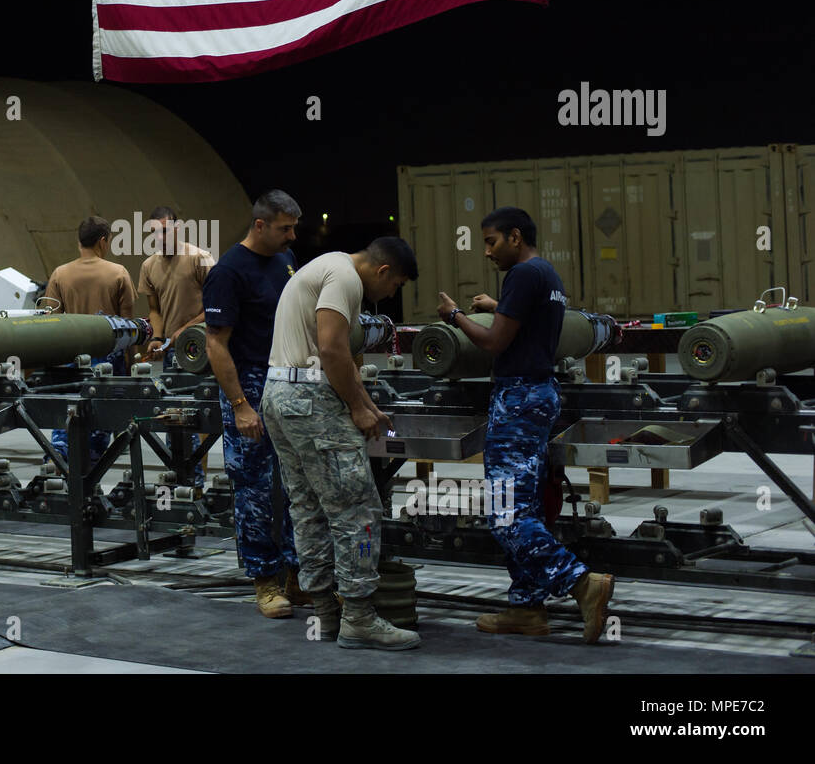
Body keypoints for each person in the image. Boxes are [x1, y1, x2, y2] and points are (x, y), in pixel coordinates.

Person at [435, 206, 614, 644]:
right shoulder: (547, 275)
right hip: (538, 395)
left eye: (492, 242)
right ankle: (526, 608)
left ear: (515, 237)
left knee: (504, 513)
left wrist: (455, 316)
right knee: (525, 508)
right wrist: (499, 307)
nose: (487, 252)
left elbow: (496, 341)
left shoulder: (521, 275)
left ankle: (581, 583)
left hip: (516, 400)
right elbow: (530, 325)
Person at [262, 237, 422, 650]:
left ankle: (326, 614)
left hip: (279, 394)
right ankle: (360, 618)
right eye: (397, 286)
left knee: (309, 506)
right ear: (383, 271)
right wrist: (356, 406)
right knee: (358, 508)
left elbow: (338, 357)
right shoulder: (347, 279)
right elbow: (332, 348)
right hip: (310, 401)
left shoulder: (327, 265)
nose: (390, 295)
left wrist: (367, 406)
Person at [202, 190, 303, 618]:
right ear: (260, 225)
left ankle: (300, 576)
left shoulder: (285, 260)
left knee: (300, 483)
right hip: (251, 384)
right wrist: (241, 405)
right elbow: (215, 344)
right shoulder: (227, 272)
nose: (292, 235)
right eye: (285, 228)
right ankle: (265, 581)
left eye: (293, 228)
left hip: (289, 379)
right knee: (256, 487)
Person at [44, 216, 137, 466]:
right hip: (106, 361)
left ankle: (59, 457)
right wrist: (129, 370)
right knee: (99, 421)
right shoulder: (118, 273)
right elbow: (129, 329)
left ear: (79, 242)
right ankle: (90, 469)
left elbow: (50, 322)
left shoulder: (60, 274)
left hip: (70, 356)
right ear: (103, 241)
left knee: (67, 413)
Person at [139, 206, 213, 488]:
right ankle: (183, 480)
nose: (160, 236)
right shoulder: (149, 266)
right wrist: (158, 337)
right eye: (155, 232)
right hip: (170, 353)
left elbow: (215, 306)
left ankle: (197, 482)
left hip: (199, 350)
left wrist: (185, 330)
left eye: (165, 230)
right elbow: (154, 308)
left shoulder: (200, 259)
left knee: (202, 417)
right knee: (173, 418)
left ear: (178, 228)